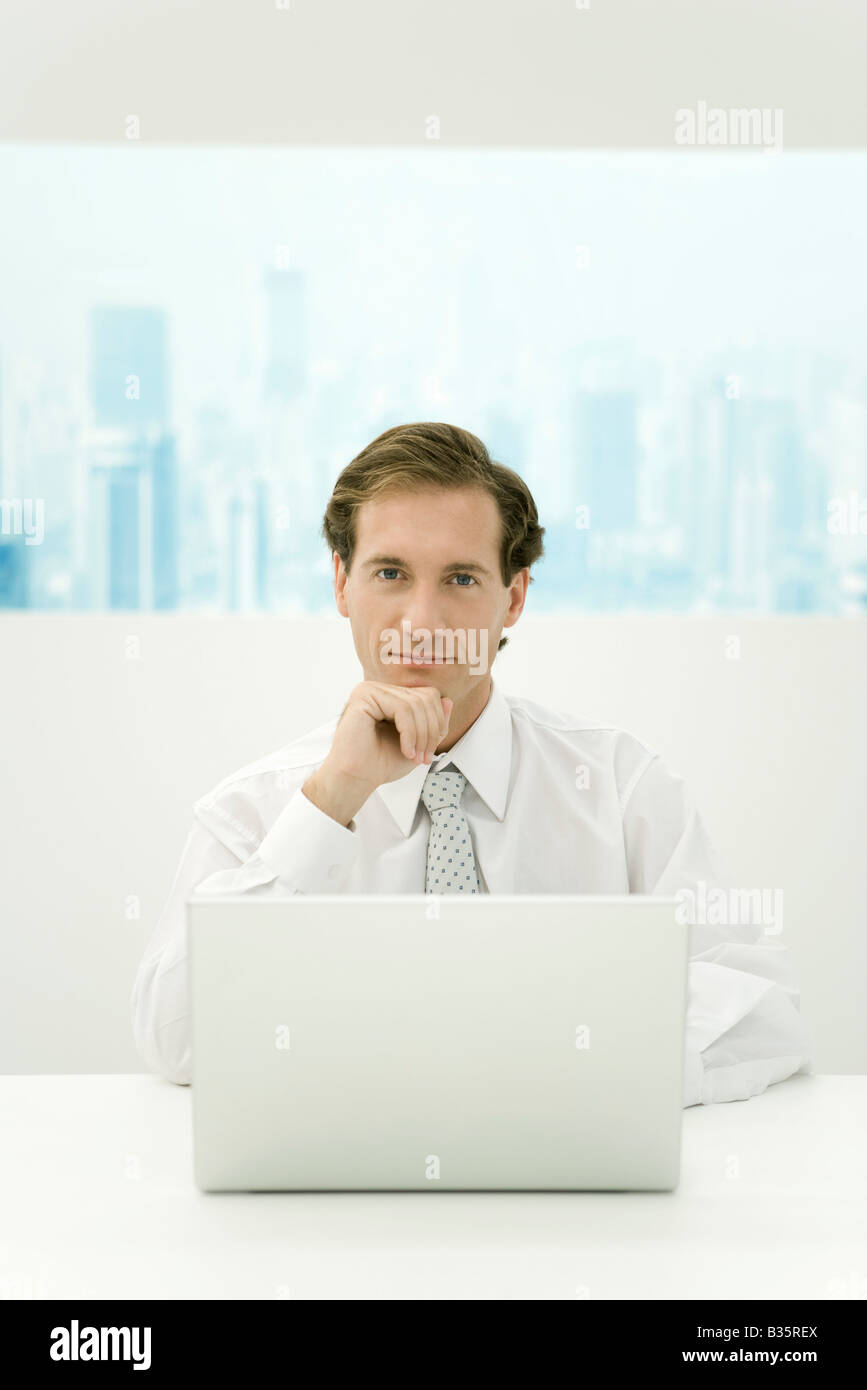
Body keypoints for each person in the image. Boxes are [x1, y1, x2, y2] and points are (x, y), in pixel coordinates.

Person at [131, 421, 814, 1102]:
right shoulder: (256, 809)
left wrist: (566, 1069)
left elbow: (762, 1011)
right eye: (390, 573)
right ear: (341, 583)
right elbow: (176, 1039)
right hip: (345, 1194)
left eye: (460, 577)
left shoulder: (618, 787)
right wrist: (333, 798)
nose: (421, 620)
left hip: (565, 1184)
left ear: (512, 597)